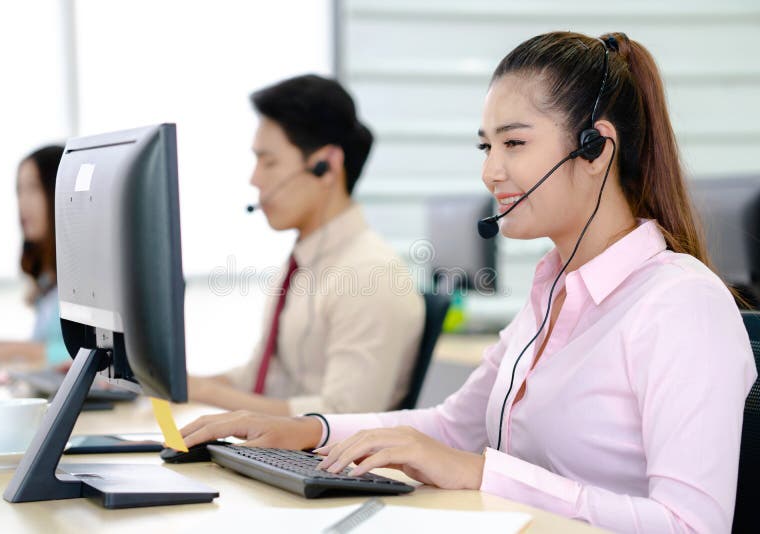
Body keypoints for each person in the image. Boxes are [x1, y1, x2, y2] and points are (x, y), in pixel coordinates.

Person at [180, 33, 757, 532]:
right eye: (487, 146)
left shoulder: (680, 303)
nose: (490, 171)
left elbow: (691, 525)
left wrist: (485, 473)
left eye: (514, 143)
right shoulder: (551, 294)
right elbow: (451, 424)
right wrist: (305, 431)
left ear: (595, 148)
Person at [188, 74, 425, 415]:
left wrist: (205, 393)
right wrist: (181, 384)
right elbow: (262, 379)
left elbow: (341, 416)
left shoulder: (370, 275)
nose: (254, 179)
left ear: (325, 166)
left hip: (325, 464)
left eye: (268, 162)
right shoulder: (303, 262)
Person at [0, 145, 69, 368]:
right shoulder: (47, 281)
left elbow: (71, 355)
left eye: (33, 188)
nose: (23, 202)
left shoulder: (82, 278)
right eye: (19, 190)